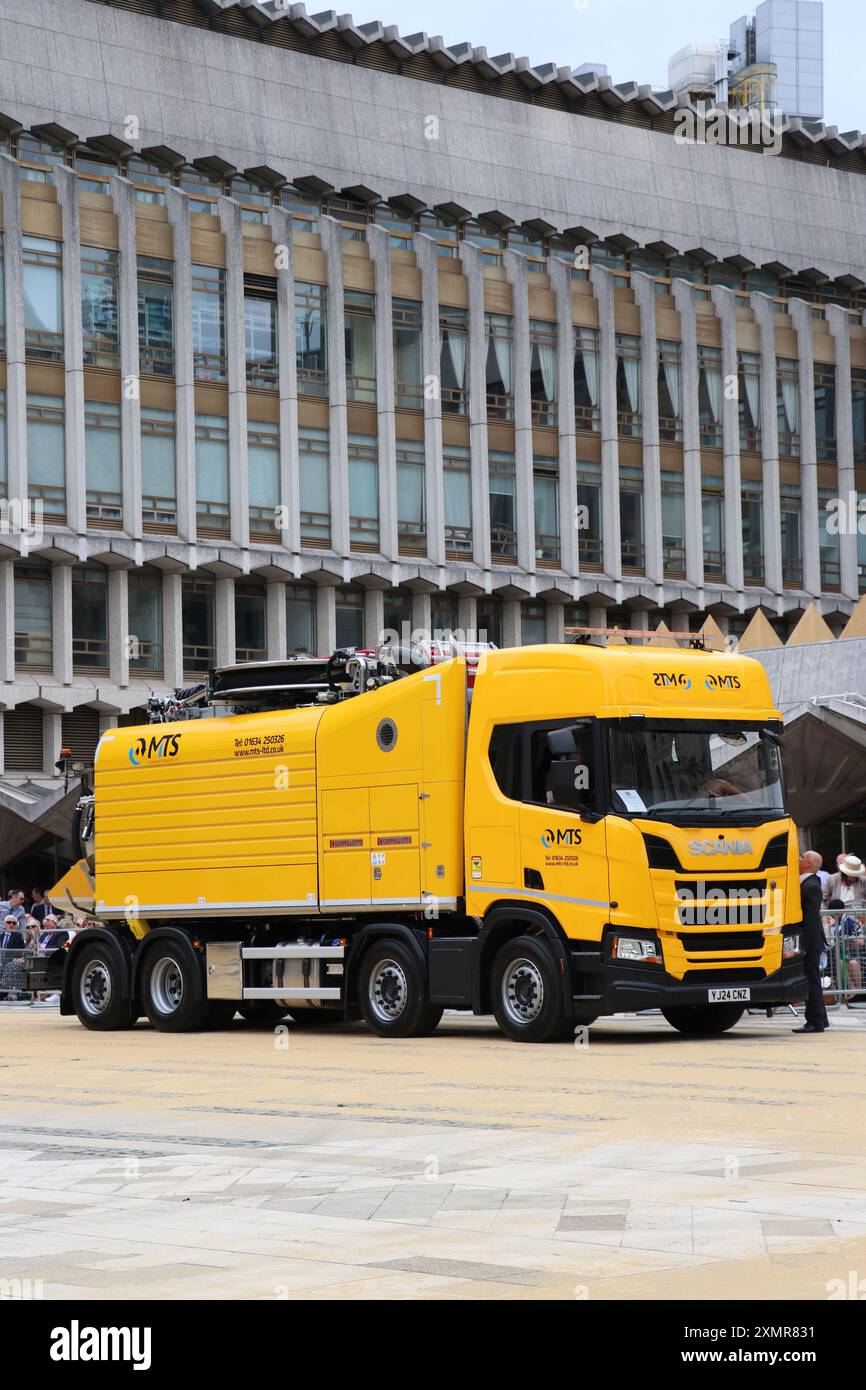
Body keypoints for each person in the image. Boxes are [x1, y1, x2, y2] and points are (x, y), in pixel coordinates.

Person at [794, 850, 829, 1034]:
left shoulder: (811, 885)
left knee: (811, 981)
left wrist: (805, 945)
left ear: (808, 863)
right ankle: (821, 1019)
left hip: (810, 941)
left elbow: (811, 918)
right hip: (811, 940)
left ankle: (815, 1021)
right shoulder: (808, 882)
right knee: (813, 980)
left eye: (802, 857)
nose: (798, 859)